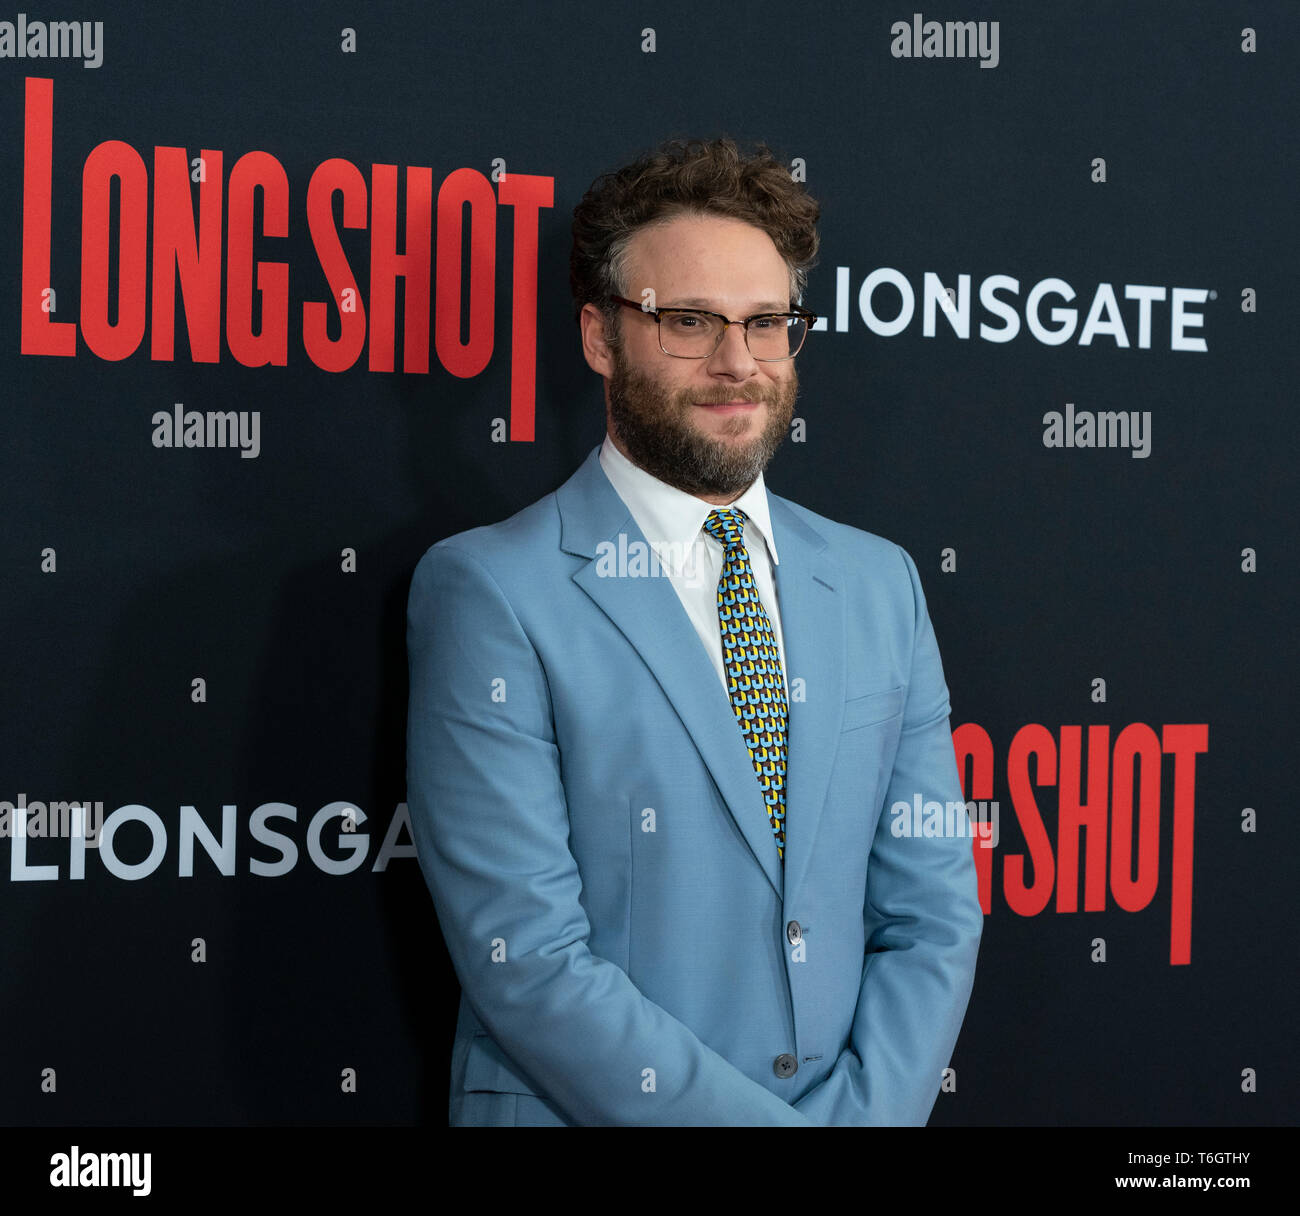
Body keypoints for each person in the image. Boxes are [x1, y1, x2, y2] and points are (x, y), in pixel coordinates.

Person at [406, 137, 982, 1126]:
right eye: (687, 322)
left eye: (766, 323)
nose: (736, 363)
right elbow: (528, 958)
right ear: (598, 337)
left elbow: (931, 917)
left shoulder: (878, 581)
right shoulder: (491, 591)